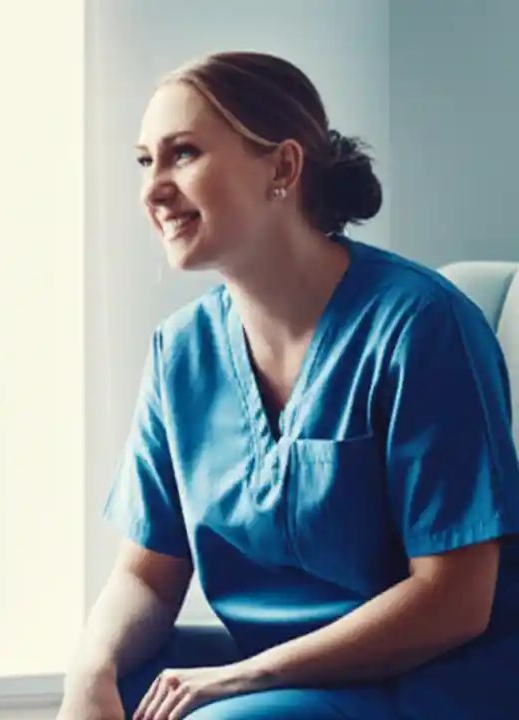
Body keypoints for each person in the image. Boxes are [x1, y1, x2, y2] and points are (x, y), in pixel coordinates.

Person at [57, 51, 519, 720]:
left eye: (182, 154)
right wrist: (89, 670)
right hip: (273, 669)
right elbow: (146, 575)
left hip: (425, 679)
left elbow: (454, 600)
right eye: (143, 161)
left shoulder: (421, 326)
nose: (152, 188)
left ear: (283, 167)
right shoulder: (180, 352)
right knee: (109, 699)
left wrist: (243, 677)